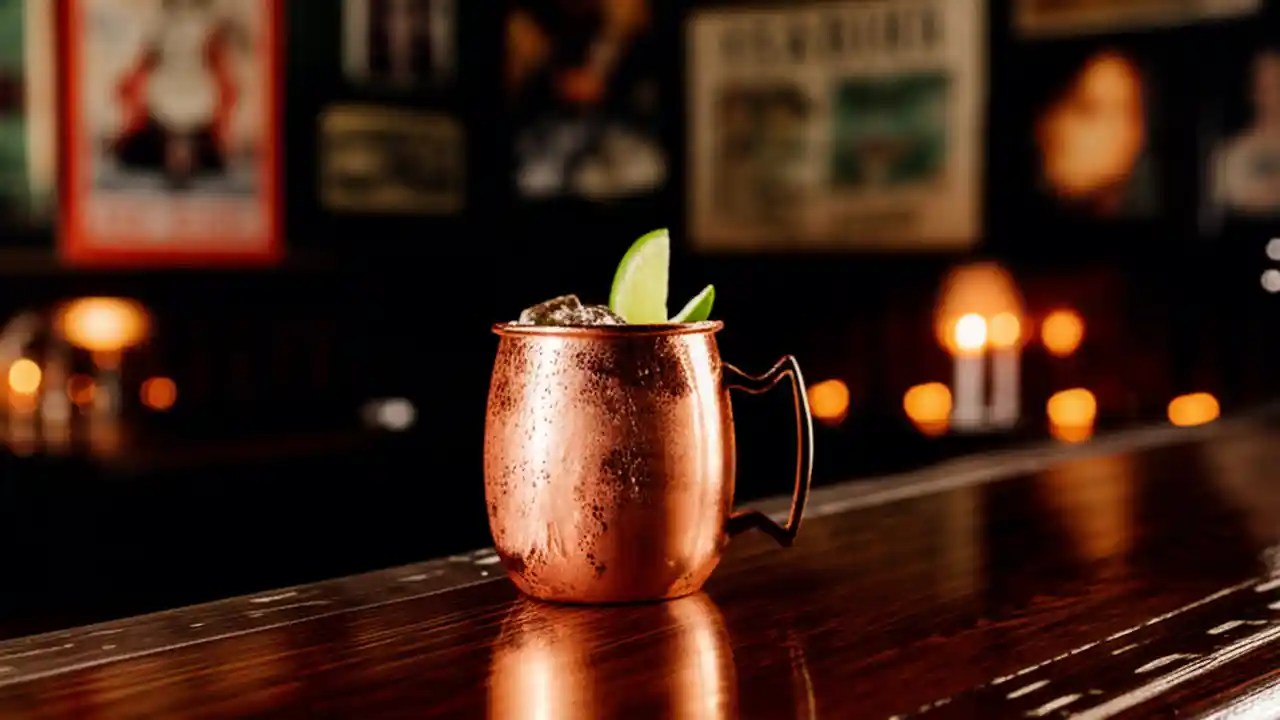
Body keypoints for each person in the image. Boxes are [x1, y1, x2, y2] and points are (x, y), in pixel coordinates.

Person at [113, 0, 248, 188]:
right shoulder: (210, 115)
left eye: (175, 163)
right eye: (184, 163)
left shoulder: (151, 113)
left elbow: (130, 81)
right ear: (194, 159)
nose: (179, 157)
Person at [1212, 49, 1280, 215]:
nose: (1270, 95)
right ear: (1253, 91)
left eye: (1276, 84)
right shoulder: (1230, 154)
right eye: (1264, 85)